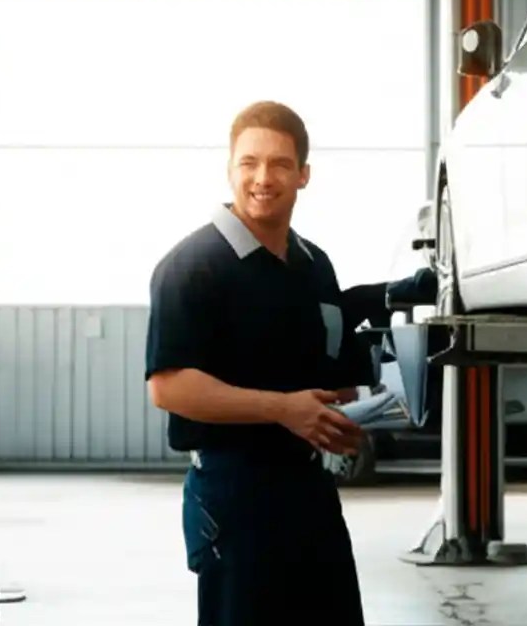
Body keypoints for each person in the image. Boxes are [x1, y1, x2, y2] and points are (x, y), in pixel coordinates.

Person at [145, 100, 373, 625]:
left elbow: (321, 367)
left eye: (279, 164)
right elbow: (169, 386)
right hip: (234, 496)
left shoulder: (314, 265)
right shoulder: (190, 266)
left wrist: (345, 408)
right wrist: (282, 409)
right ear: (230, 169)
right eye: (249, 163)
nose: (262, 178)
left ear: (304, 175)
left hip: (310, 490)